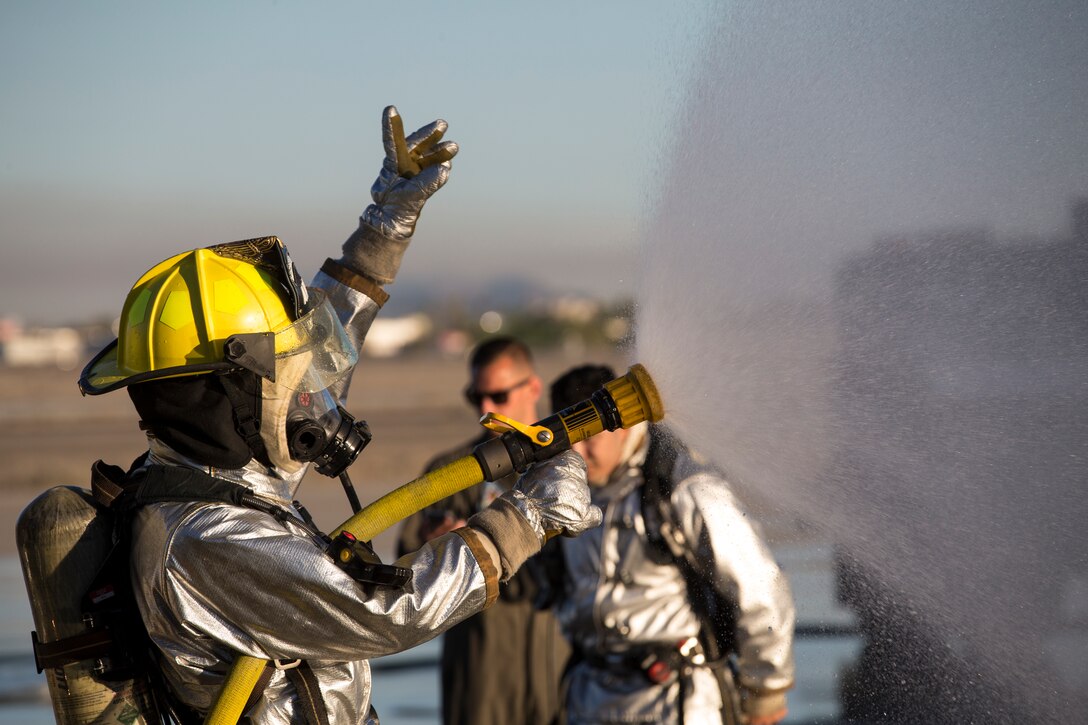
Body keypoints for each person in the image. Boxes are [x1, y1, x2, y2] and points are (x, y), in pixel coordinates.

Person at [75, 107, 601, 724]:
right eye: (282, 376)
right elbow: (383, 612)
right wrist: (528, 516)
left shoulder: (217, 476)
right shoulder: (208, 537)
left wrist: (387, 223)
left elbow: (320, 349)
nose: (309, 395)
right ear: (230, 395)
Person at [539, 364, 796, 725]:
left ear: (623, 423)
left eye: (588, 437)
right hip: (589, 699)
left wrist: (765, 691)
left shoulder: (685, 488)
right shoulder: (559, 493)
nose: (577, 455)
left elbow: (760, 587)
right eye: (567, 442)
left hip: (679, 702)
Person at [395, 337, 570, 725]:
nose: (486, 410)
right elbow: (403, 570)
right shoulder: (450, 470)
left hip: (558, 668)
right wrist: (447, 547)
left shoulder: (565, 472)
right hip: (480, 672)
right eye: (476, 398)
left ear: (533, 388)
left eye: (499, 396)